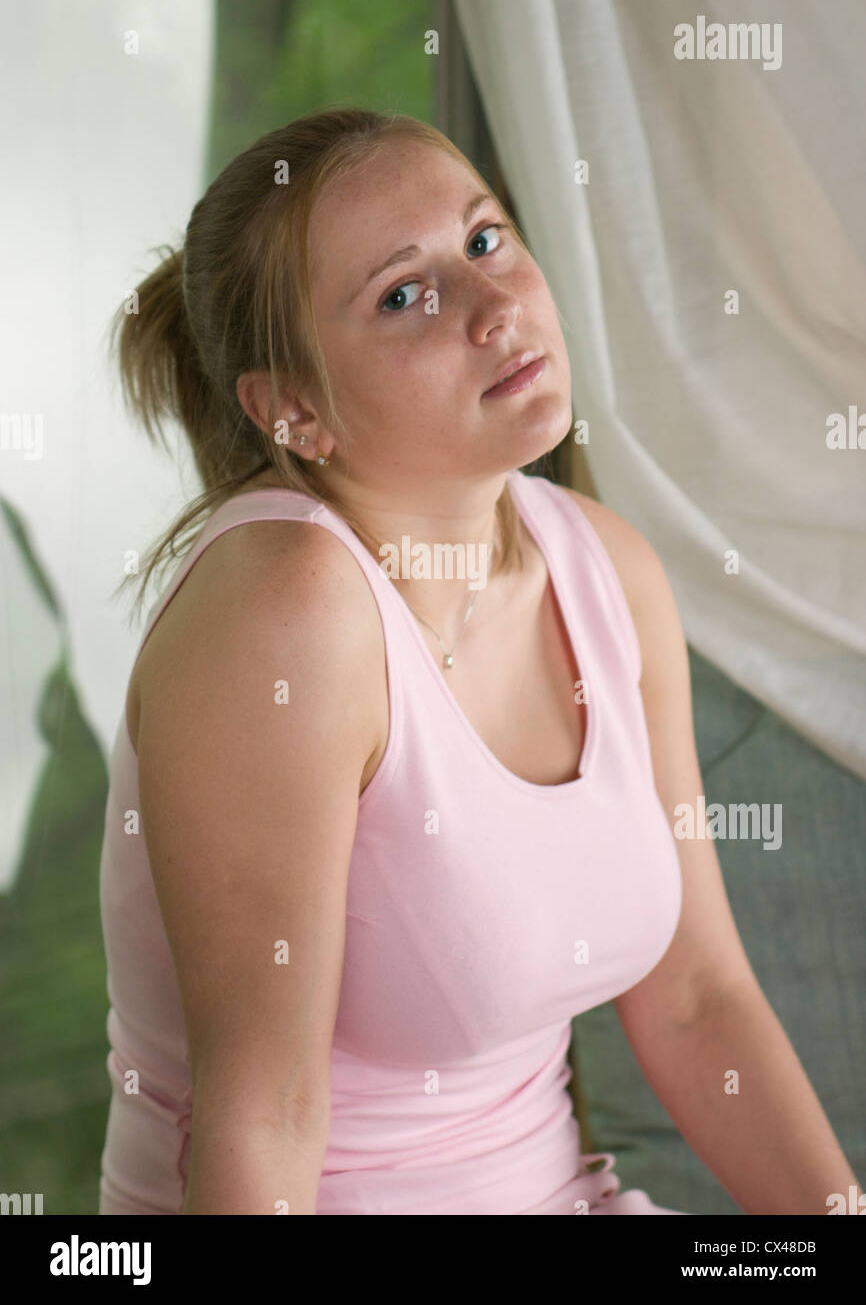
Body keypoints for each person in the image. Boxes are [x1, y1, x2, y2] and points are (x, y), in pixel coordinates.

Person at [98, 106, 861, 1215]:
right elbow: (261, 1117)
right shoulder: (290, 611)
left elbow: (699, 999)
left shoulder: (606, 568)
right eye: (404, 295)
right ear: (295, 412)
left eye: (485, 240)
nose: (495, 307)